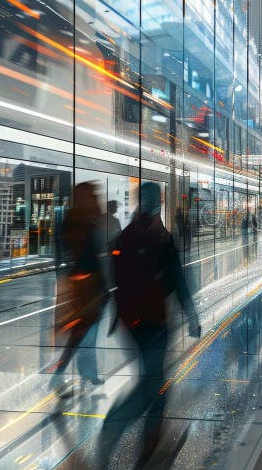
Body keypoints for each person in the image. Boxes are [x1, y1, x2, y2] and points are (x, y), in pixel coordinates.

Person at [100, 182, 201, 466]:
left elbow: (116, 278)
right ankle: (122, 430)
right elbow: (177, 280)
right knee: (154, 386)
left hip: (133, 322)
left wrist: (121, 312)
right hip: (154, 321)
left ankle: (142, 440)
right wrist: (191, 316)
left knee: (152, 380)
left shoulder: (126, 236)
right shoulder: (161, 237)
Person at [50, 182, 107, 394]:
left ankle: (83, 372)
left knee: (83, 331)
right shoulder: (84, 221)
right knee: (83, 331)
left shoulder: (72, 219)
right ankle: (63, 373)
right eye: (93, 194)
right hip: (88, 284)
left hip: (82, 282)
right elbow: (89, 253)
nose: (97, 196)